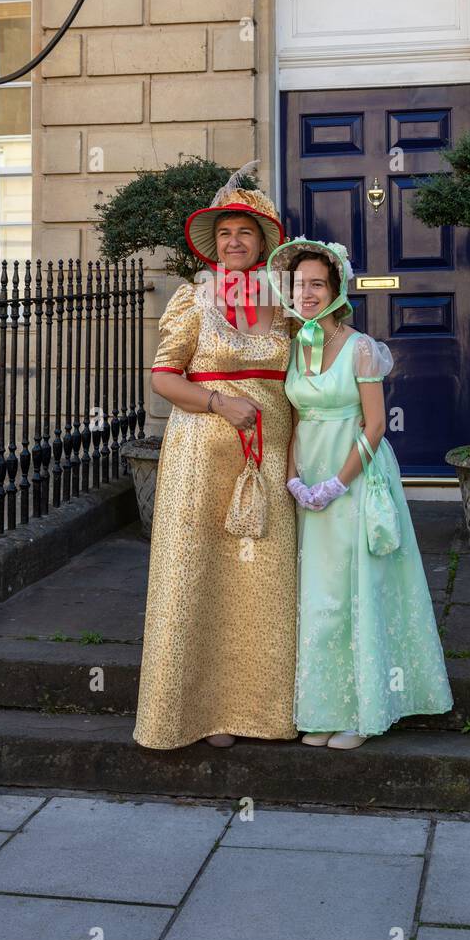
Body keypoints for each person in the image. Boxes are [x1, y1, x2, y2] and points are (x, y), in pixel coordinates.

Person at [133, 165, 298, 750]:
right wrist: (218, 402)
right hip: (201, 461)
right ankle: (203, 713)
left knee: (265, 582)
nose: (234, 243)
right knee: (201, 579)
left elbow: (306, 375)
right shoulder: (192, 299)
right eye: (225, 233)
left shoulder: (284, 302)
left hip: (272, 458)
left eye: (245, 234)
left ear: (263, 244)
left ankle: (265, 709)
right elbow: (163, 378)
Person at [266, 236, 454, 749]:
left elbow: (374, 427)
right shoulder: (294, 348)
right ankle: (324, 708)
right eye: (299, 284)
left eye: (316, 284)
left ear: (336, 290)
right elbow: (291, 420)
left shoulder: (362, 348)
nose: (305, 293)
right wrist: (293, 479)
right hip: (308, 481)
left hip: (355, 476)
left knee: (356, 590)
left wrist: (335, 483)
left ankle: (364, 709)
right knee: (320, 596)